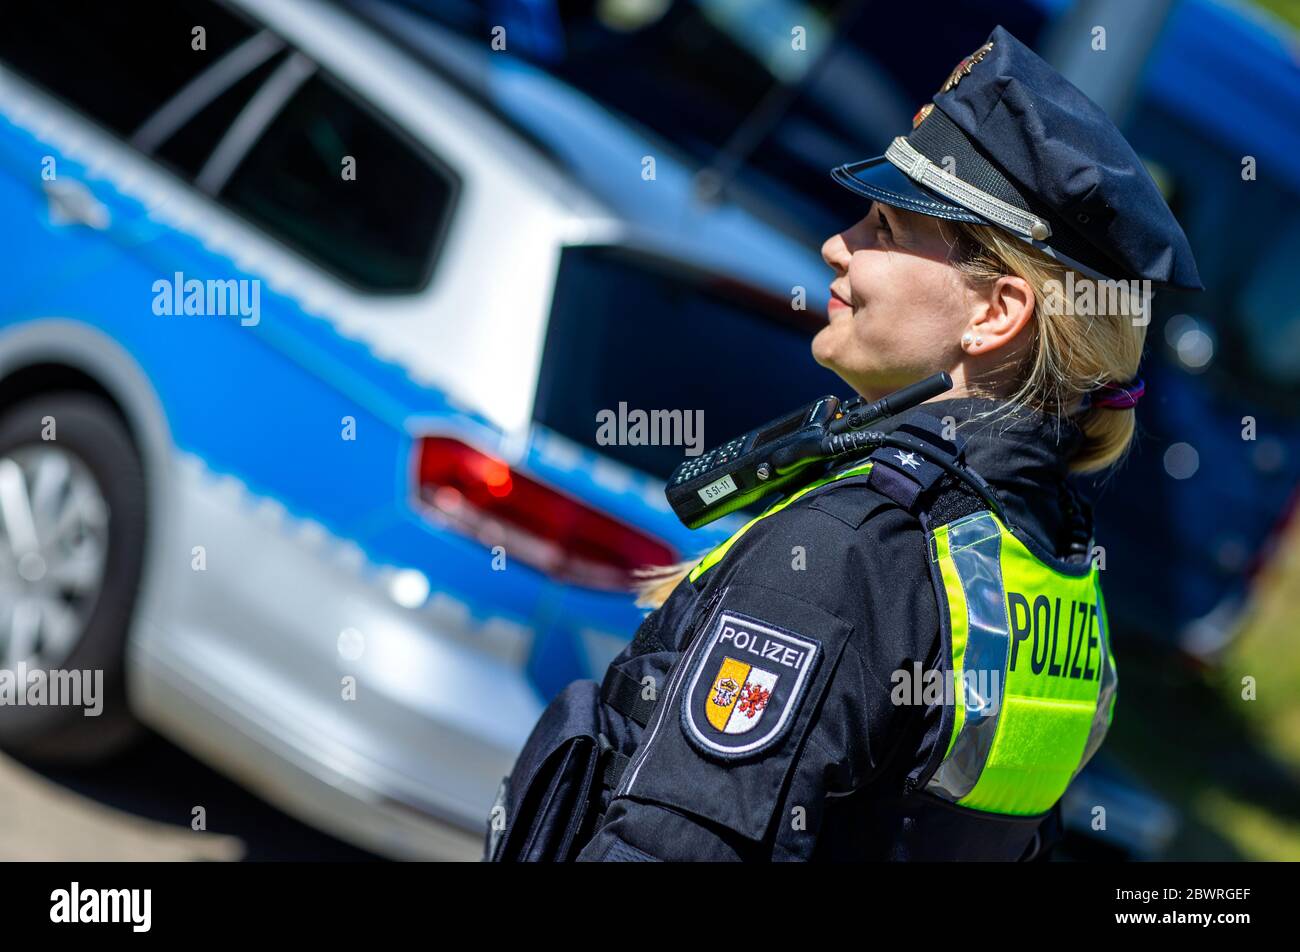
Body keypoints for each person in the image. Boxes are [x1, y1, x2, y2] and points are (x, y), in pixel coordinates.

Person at [485, 24, 1201, 862]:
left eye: (887, 230)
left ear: (996, 313)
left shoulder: (846, 552)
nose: (838, 245)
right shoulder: (1060, 572)